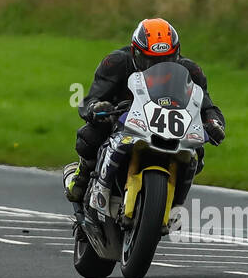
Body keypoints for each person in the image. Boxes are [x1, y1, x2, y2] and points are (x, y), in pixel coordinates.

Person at [63, 17, 225, 207]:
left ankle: (174, 205)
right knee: (90, 135)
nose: (158, 66)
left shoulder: (191, 71)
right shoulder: (116, 62)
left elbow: (206, 106)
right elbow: (92, 98)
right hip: (123, 121)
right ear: (135, 52)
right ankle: (81, 176)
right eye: (150, 60)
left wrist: (214, 123)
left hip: (169, 124)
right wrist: (97, 108)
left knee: (198, 151)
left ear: (177, 53)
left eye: (166, 59)